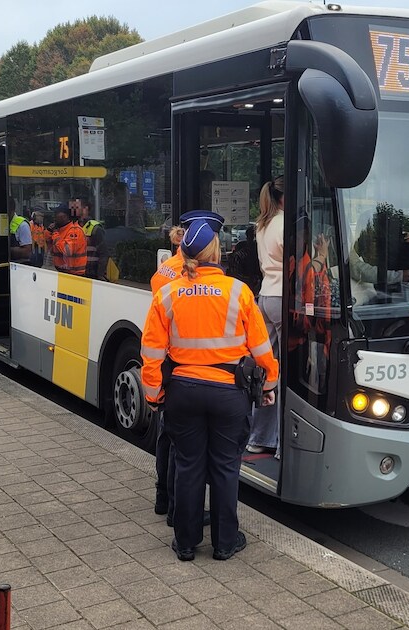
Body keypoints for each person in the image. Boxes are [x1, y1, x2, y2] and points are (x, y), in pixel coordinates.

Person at [141, 218, 278, 562]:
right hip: (229, 393)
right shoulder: (239, 292)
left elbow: (152, 352)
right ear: (216, 252)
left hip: (183, 392)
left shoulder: (167, 293)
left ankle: (186, 543)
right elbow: (262, 349)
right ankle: (224, 543)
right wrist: (269, 385)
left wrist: (153, 395)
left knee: (188, 466)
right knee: (225, 467)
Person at [150, 210, 224, 521]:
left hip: (167, 362)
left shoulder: (167, 268)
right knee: (182, 446)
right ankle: (176, 508)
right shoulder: (188, 274)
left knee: (167, 436)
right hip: (182, 365)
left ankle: (163, 499)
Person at [250, 176, 285, 454]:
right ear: (284, 197)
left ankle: (259, 437)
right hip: (284, 298)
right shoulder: (285, 224)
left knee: (267, 368)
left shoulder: (262, 224)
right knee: (286, 371)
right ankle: (283, 441)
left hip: (266, 296)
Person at [73, 197, 107, 279]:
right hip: (75, 272)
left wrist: (100, 275)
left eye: (76, 206)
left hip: (91, 273)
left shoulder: (95, 228)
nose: (73, 209)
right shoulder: (73, 226)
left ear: (85, 208)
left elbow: (104, 253)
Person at [49, 204, 87, 275]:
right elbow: (49, 245)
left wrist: (55, 234)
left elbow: (67, 250)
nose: (54, 216)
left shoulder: (75, 230)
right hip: (62, 272)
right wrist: (49, 231)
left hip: (74, 274)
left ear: (65, 216)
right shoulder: (61, 229)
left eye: (57, 213)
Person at [225, 226, 262, 296]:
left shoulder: (265, 254)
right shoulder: (239, 255)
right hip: (242, 290)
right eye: (252, 237)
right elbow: (235, 275)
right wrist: (253, 280)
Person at [7, 198, 36, 265]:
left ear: (12, 210)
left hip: (19, 265)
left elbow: (27, 252)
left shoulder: (22, 225)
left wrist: (7, 250)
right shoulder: (1, 223)